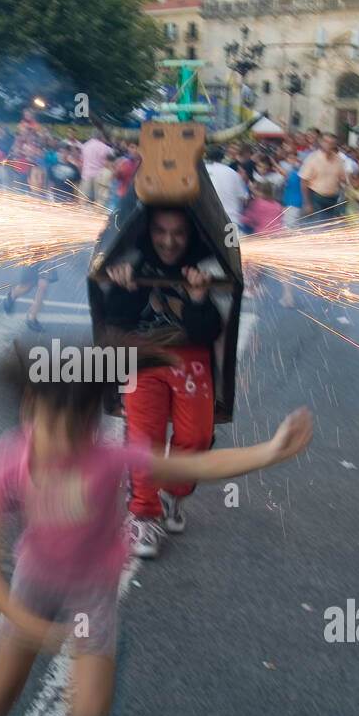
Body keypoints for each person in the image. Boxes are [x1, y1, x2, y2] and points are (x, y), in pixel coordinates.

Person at [0, 344, 313, 716]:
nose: (68, 441)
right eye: (56, 426)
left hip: (93, 588)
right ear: (29, 408)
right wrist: (31, 625)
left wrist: (270, 451)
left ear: (95, 424)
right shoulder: (10, 457)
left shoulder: (110, 454)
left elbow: (191, 464)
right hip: (34, 580)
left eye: (82, 429)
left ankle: (108, 651)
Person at [98, 208, 225, 558]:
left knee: (196, 436)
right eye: (161, 232)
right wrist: (124, 287)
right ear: (148, 231)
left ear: (191, 234)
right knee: (143, 438)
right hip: (143, 356)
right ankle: (143, 513)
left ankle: (175, 490)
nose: (169, 241)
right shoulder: (133, 260)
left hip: (191, 360)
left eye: (178, 233)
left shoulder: (209, 265)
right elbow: (115, 321)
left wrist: (199, 298)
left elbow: (211, 330)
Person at [299, 132, 346, 225]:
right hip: (316, 198)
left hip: (332, 199)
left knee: (327, 229)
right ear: (321, 142)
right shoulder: (312, 158)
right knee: (315, 228)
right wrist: (307, 204)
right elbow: (304, 181)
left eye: (332, 143)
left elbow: (342, 180)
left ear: (335, 145)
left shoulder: (339, 160)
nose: (329, 145)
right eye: (326, 142)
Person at [205, 144, 249, 226]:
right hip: (232, 221)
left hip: (206, 220)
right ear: (222, 158)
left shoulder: (200, 172)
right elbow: (244, 200)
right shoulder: (233, 173)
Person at [79, 128, 110, 203]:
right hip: (99, 175)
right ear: (101, 136)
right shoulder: (105, 147)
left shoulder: (85, 145)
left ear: (92, 136)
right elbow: (107, 163)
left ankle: (82, 212)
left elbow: (82, 160)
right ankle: (98, 213)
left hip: (87, 174)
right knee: (100, 199)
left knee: (83, 199)